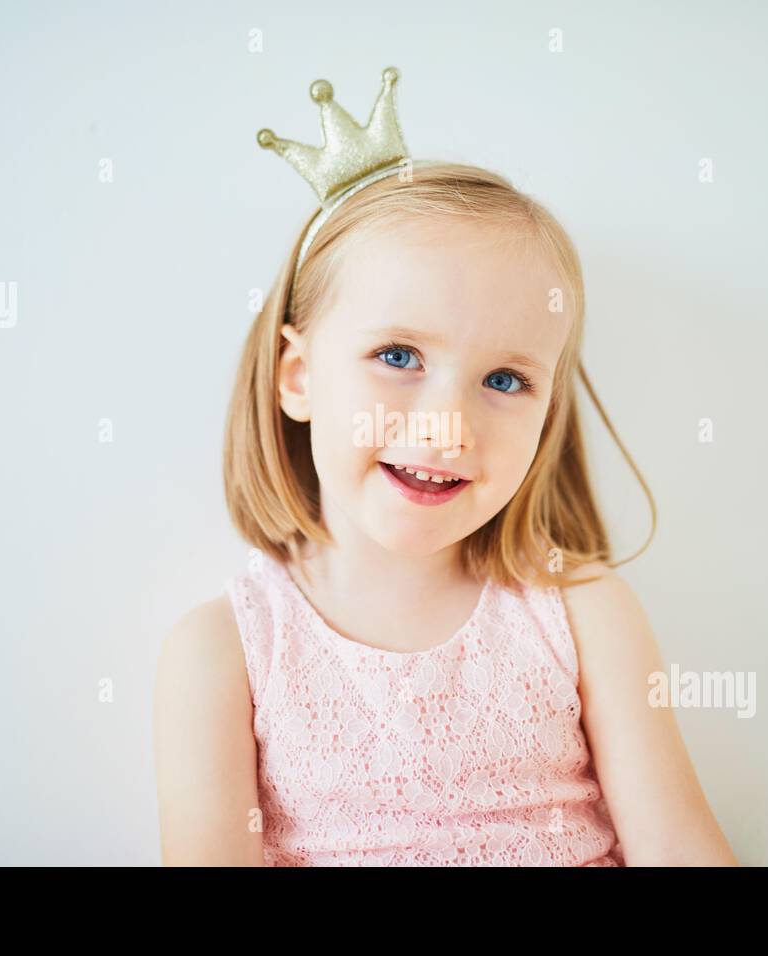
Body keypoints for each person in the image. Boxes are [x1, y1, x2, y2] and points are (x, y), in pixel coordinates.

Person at [154, 67, 737, 866]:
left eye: (505, 380)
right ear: (298, 377)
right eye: (398, 355)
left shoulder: (586, 614)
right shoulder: (224, 652)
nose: (447, 427)